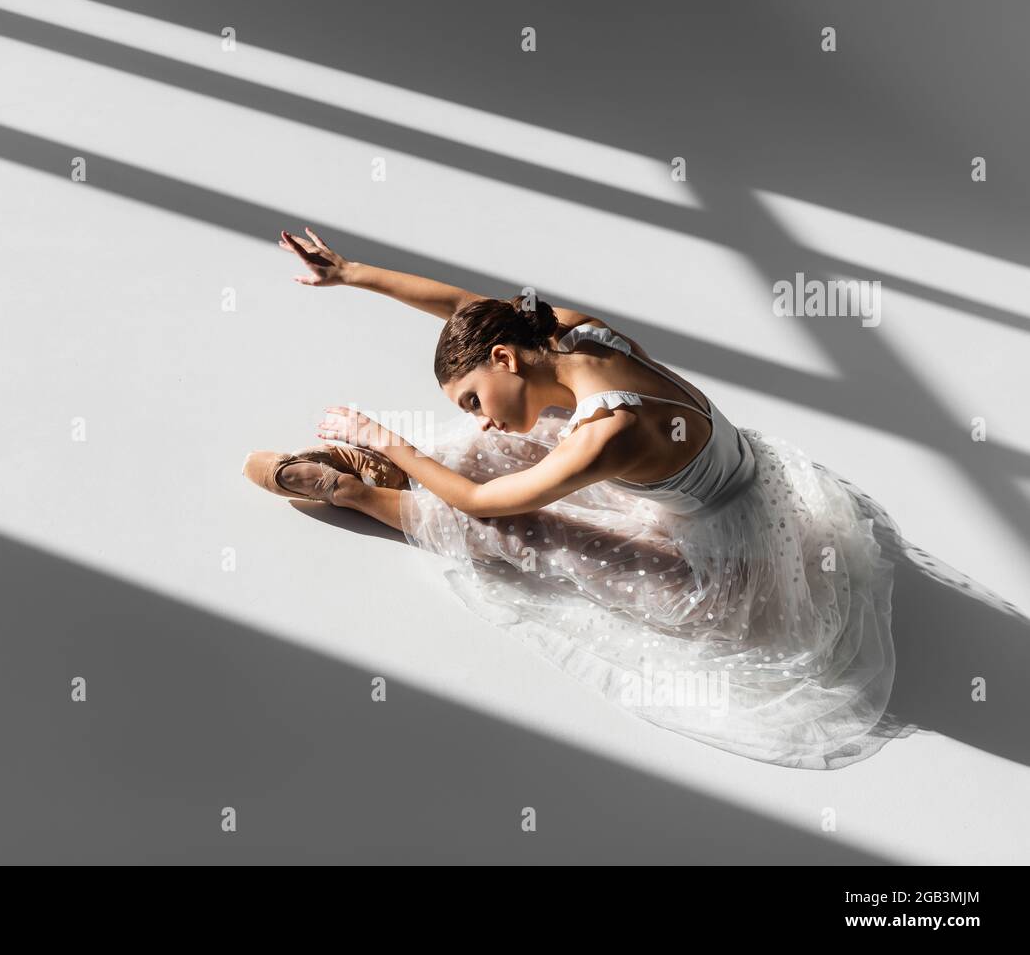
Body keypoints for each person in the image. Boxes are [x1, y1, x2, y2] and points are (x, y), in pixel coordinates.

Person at [244, 227, 918, 769]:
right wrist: (351, 272)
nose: (479, 412)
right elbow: (464, 310)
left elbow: (488, 503)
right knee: (496, 442)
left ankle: (368, 494)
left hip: (723, 570)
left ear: (506, 359)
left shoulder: (608, 435)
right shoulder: (567, 332)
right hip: (716, 471)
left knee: (535, 530)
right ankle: (408, 473)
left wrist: (388, 440)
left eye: (475, 396)